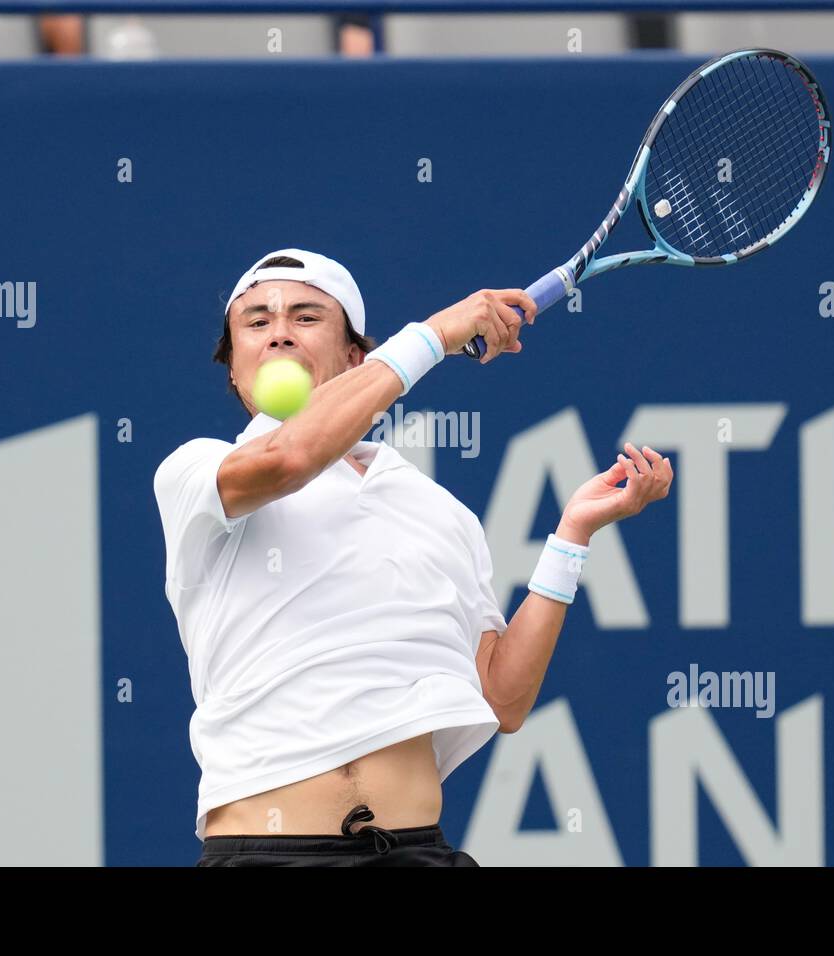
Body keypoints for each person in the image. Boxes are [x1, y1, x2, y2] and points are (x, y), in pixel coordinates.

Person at [154, 249, 673, 866]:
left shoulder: (439, 512)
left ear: (355, 359)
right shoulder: (196, 472)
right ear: (235, 368)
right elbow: (286, 460)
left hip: (417, 852)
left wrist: (570, 539)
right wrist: (433, 335)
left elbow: (500, 699)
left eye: (306, 315)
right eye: (256, 322)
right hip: (265, 854)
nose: (280, 332)